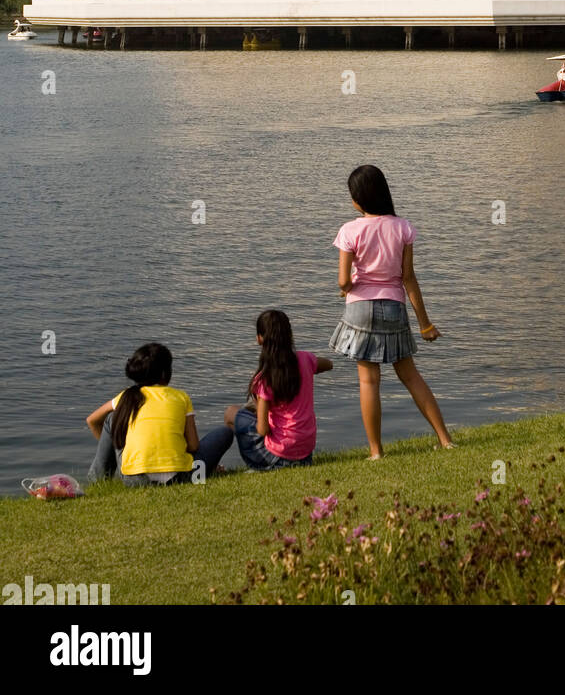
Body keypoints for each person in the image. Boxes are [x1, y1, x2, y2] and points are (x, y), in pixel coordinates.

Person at [329, 164, 453, 459]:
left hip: (359, 308)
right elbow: (409, 278)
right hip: (394, 307)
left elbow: (343, 281)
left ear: (358, 199)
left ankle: (376, 452)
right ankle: (445, 439)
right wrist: (425, 324)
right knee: (411, 377)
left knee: (369, 381)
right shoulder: (403, 228)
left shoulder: (350, 230)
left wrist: (347, 288)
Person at [86, 342, 232, 486]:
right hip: (182, 477)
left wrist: (118, 448)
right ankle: (205, 471)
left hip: (134, 480)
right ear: (164, 373)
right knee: (224, 433)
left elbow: (92, 420)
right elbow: (193, 446)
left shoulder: (126, 396)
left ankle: (97, 481)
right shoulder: (180, 397)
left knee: (112, 419)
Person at [224, 309, 333, 470]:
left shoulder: (264, 378)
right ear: (289, 336)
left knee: (231, 413)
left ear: (260, 339)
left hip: (278, 457)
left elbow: (262, 430)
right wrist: (311, 366)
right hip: (305, 454)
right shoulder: (305, 359)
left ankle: (257, 464)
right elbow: (329, 364)